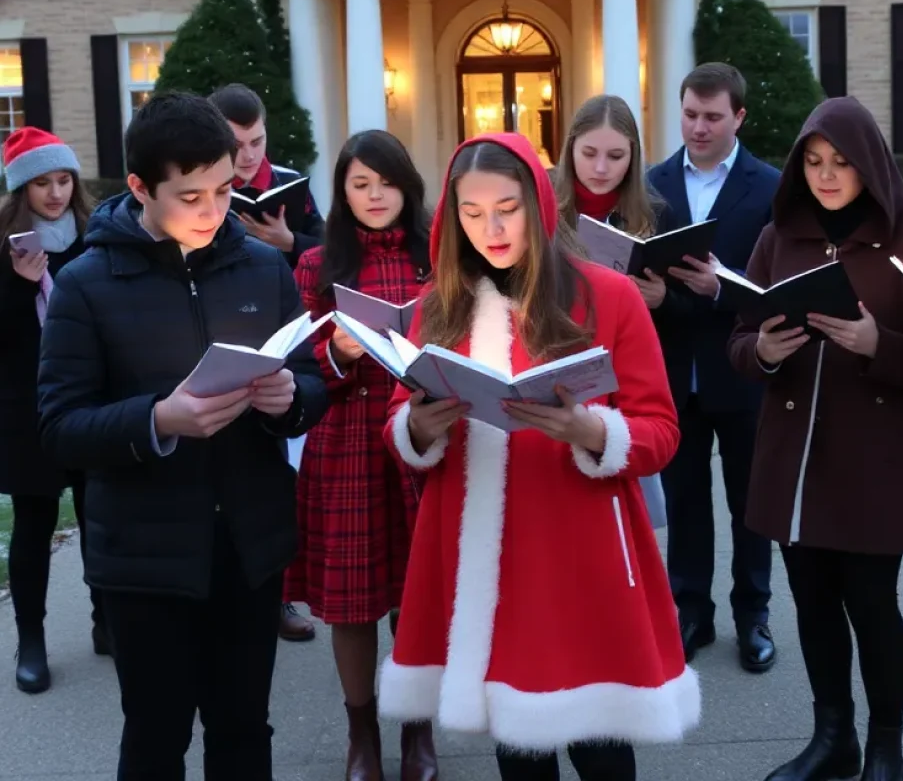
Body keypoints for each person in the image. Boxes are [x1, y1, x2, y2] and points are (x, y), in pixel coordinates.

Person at [378, 132, 699, 781]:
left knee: (603, 744)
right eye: (471, 213)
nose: (490, 228)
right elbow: (398, 421)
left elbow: (661, 430)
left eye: (506, 208)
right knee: (518, 746)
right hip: (483, 557)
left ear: (539, 205)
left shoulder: (609, 296)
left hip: (582, 552)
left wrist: (591, 432)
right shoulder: (441, 305)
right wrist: (418, 424)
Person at [36, 92, 328, 781]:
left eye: (225, 190)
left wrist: (288, 400)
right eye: (189, 195)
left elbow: (310, 382)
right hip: (144, 559)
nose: (213, 211)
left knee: (243, 731)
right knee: (156, 737)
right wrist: (156, 420)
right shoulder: (85, 283)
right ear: (139, 187)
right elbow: (58, 427)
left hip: (248, 547)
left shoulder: (262, 266)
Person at [728, 96, 903, 781]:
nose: (826, 175)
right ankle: (834, 737)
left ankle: (886, 745)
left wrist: (875, 344)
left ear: (870, 165)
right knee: (813, 603)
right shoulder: (778, 239)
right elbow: (739, 344)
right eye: (813, 161)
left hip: (872, 464)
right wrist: (764, 350)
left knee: (873, 604)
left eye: (841, 163)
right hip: (794, 461)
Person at [284, 130, 436, 781]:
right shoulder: (318, 265)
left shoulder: (439, 257)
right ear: (342, 192)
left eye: (388, 182)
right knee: (351, 601)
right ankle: (361, 734)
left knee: (416, 595)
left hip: (421, 434)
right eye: (360, 183)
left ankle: (418, 730)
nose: (376, 195)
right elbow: (297, 366)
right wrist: (335, 355)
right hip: (346, 439)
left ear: (409, 187)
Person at [646, 62, 780, 671]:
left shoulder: (772, 187)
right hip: (672, 372)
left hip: (745, 370)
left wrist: (720, 290)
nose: (698, 127)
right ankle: (690, 611)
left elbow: (781, 286)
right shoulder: (650, 185)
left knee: (752, 503)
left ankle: (754, 615)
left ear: (739, 117)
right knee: (686, 503)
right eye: (690, 114)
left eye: (713, 117)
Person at [209, 82, 324, 641]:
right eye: (238, 143)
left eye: (257, 141)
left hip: (275, 328)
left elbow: (325, 249)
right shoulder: (203, 189)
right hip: (215, 331)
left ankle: (274, 597)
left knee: (275, 469)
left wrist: (290, 241)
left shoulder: (286, 186)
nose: (250, 155)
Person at [0, 127, 107, 693]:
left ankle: (104, 621)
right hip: (29, 409)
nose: (56, 192)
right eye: (42, 182)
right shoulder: (5, 247)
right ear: (22, 188)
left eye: (64, 179)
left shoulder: (95, 237)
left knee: (99, 513)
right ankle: (32, 641)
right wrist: (19, 288)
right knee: (35, 522)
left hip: (89, 400)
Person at [554, 92, 677, 526]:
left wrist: (662, 299)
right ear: (570, 150)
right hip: (559, 365)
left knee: (625, 512)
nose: (601, 168)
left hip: (628, 374)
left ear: (634, 157)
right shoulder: (544, 206)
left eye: (616, 155)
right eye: (589, 153)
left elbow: (684, 302)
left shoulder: (657, 212)